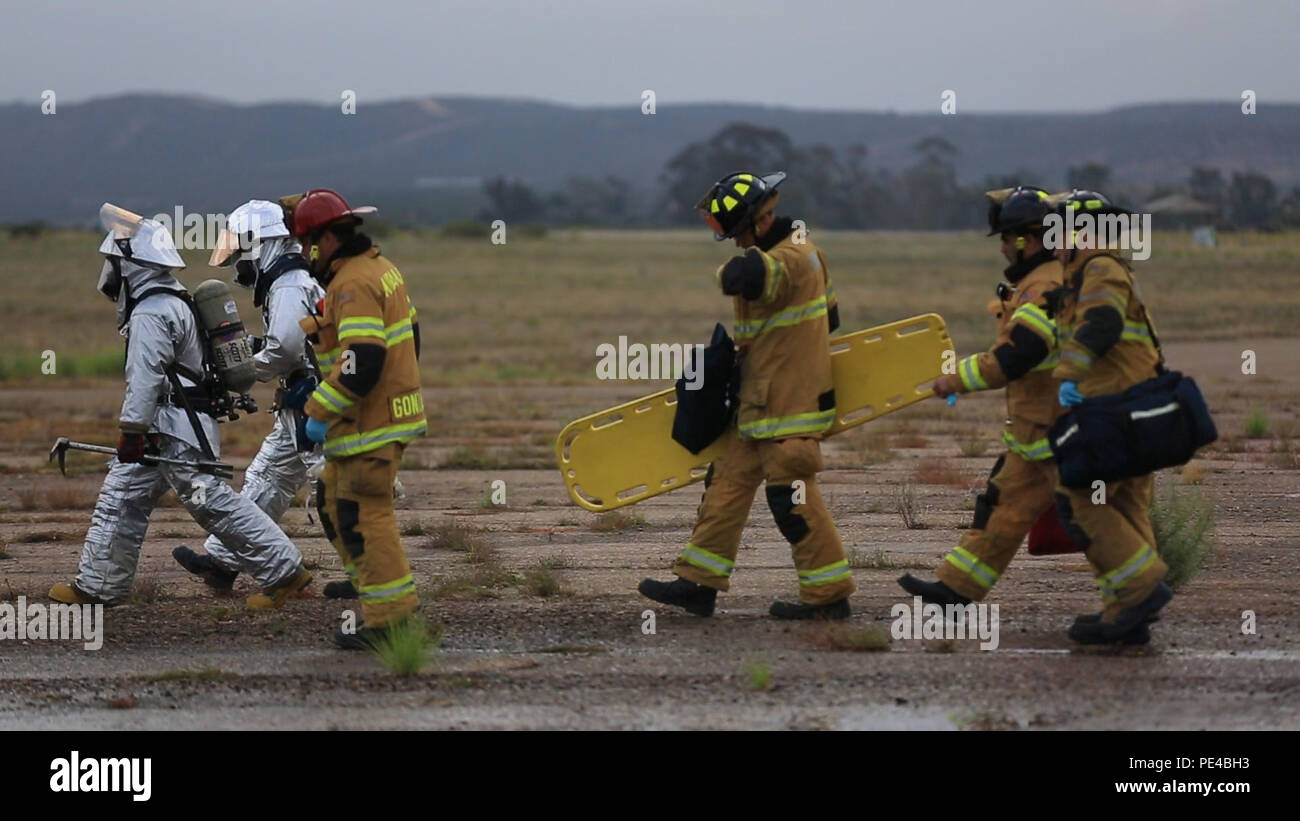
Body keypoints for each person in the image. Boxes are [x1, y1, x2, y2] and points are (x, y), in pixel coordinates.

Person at [49, 205, 311, 610]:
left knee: (210, 500)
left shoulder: (152, 312)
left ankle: (284, 571)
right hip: (172, 422)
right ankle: (97, 587)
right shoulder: (170, 299)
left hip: (173, 425)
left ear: (131, 265)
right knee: (122, 496)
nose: (110, 272)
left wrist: (131, 430)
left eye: (115, 263)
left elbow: (145, 375)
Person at [639, 171, 854, 620]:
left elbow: (748, 275)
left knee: (792, 501)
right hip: (759, 407)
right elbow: (826, 322)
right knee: (725, 486)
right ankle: (698, 584)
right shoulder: (808, 254)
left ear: (758, 221)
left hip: (788, 411)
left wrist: (729, 271)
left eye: (737, 233)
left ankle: (829, 598)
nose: (735, 244)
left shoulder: (789, 257)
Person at [899, 186, 1066, 606]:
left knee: (1099, 521)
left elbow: (1017, 355)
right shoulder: (1037, 281)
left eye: (1008, 239)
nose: (1005, 249)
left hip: (1060, 433)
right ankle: (956, 590)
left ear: (1028, 239)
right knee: (1002, 507)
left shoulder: (1043, 286)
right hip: (1039, 435)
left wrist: (953, 379)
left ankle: (1136, 598)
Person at [284, 189, 425, 648]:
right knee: (333, 505)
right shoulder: (380, 270)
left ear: (327, 239)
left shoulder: (351, 283)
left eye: (308, 243)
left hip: (369, 423)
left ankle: (391, 624)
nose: (307, 255)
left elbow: (361, 359)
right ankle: (383, 604)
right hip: (370, 418)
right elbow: (411, 336)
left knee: (364, 516)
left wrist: (319, 409)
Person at [171, 200, 335, 594]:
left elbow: (286, 349)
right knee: (267, 478)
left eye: (240, 249)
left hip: (315, 400)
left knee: (333, 484)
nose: (237, 263)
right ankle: (222, 561)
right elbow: (286, 342)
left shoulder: (290, 283)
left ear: (261, 243)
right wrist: (249, 349)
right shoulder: (287, 281)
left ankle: (371, 574)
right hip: (303, 398)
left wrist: (240, 371)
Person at [1047, 189, 1171, 645]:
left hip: (1115, 411)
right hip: (1130, 409)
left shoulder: (1099, 268)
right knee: (1125, 504)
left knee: (1080, 499)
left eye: (1057, 234)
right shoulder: (1101, 269)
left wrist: (1069, 374)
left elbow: (1102, 324)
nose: (1053, 244)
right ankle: (1128, 612)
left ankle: (1138, 591)